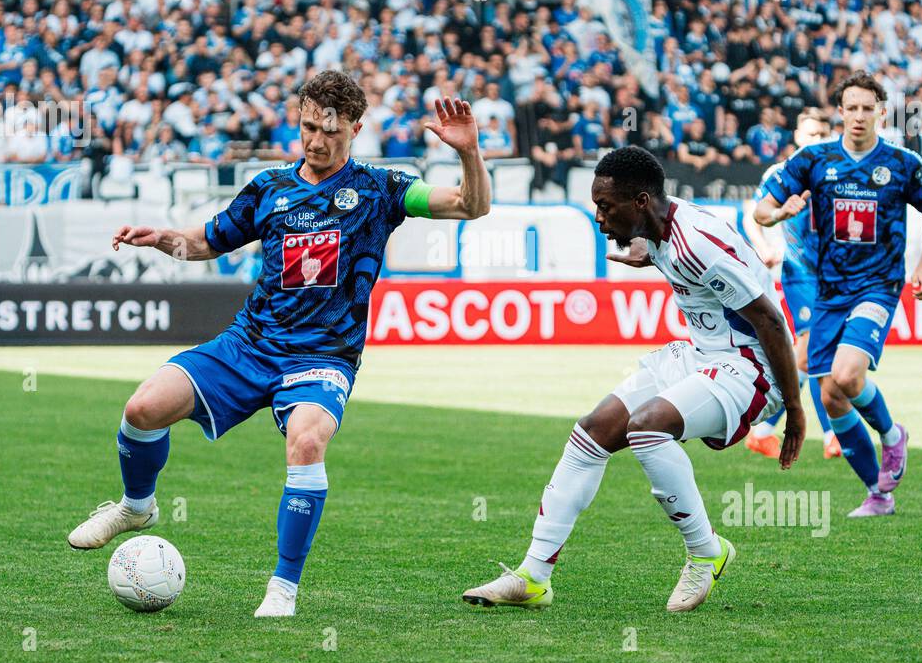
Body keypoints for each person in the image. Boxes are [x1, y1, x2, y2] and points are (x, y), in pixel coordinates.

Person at [66, 72, 492, 617]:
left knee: (307, 442)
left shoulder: (382, 188)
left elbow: (469, 205)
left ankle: (282, 588)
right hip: (251, 344)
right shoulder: (269, 189)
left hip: (324, 355)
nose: (316, 141)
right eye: (308, 127)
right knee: (142, 408)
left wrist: (469, 153)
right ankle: (135, 506)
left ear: (356, 129)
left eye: (330, 133)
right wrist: (162, 239)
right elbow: (204, 243)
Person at [461, 146, 803, 613]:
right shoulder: (662, 229)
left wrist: (796, 409)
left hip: (749, 368)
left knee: (646, 428)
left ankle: (706, 551)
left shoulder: (697, 244)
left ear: (641, 201)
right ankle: (533, 577)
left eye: (606, 206)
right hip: (703, 353)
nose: (600, 218)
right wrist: (650, 253)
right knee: (592, 431)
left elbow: (769, 321)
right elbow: (670, 251)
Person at [754, 72, 922, 518]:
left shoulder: (902, 164)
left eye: (868, 108)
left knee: (844, 374)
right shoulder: (814, 160)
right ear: (840, 112)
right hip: (827, 290)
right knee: (830, 396)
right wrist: (780, 211)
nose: (859, 116)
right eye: (851, 107)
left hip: (877, 286)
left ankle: (892, 434)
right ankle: (878, 494)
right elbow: (760, 209)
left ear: (881, 112)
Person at [743, 108, 842, 460]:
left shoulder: (839, 172)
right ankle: (833, 434)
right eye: (811, 135)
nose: (816, 141)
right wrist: (765, 245)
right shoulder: (782, 174)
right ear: (798, 137)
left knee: (809, 358)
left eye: (822, 134)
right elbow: (752, 213)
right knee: (814, 350)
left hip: (836, 275)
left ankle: (765, 429)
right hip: (801, 272)